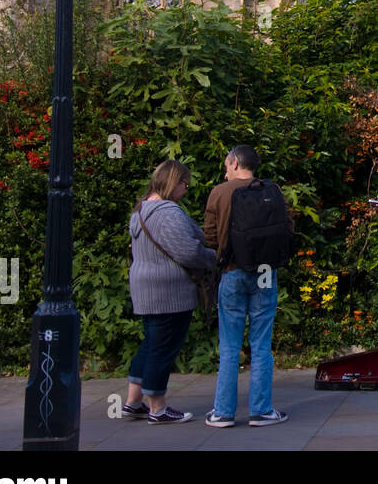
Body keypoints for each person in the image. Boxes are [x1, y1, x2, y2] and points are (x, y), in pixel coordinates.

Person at [202, 144, 292, 427]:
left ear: (234, 163)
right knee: (261, 343)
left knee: (229, 345)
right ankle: (261, 410)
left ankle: (223, 412)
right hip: (265, 272)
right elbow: (287, 229)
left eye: (227, 166)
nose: (226, 171)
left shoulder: (219, 193)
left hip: (232, 272)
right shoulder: (273, 190)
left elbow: (210, 238)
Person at [124, 159, 217, 424]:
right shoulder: (168, 213)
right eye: (184, 184)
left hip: (144, 289)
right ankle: (158, 408)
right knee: (163, 348)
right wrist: (213, 257)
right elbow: (188, 252)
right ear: (173, 182)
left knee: (150, 343)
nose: (185, 190)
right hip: (168, 292)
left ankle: (133, 402)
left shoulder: (141, 211)